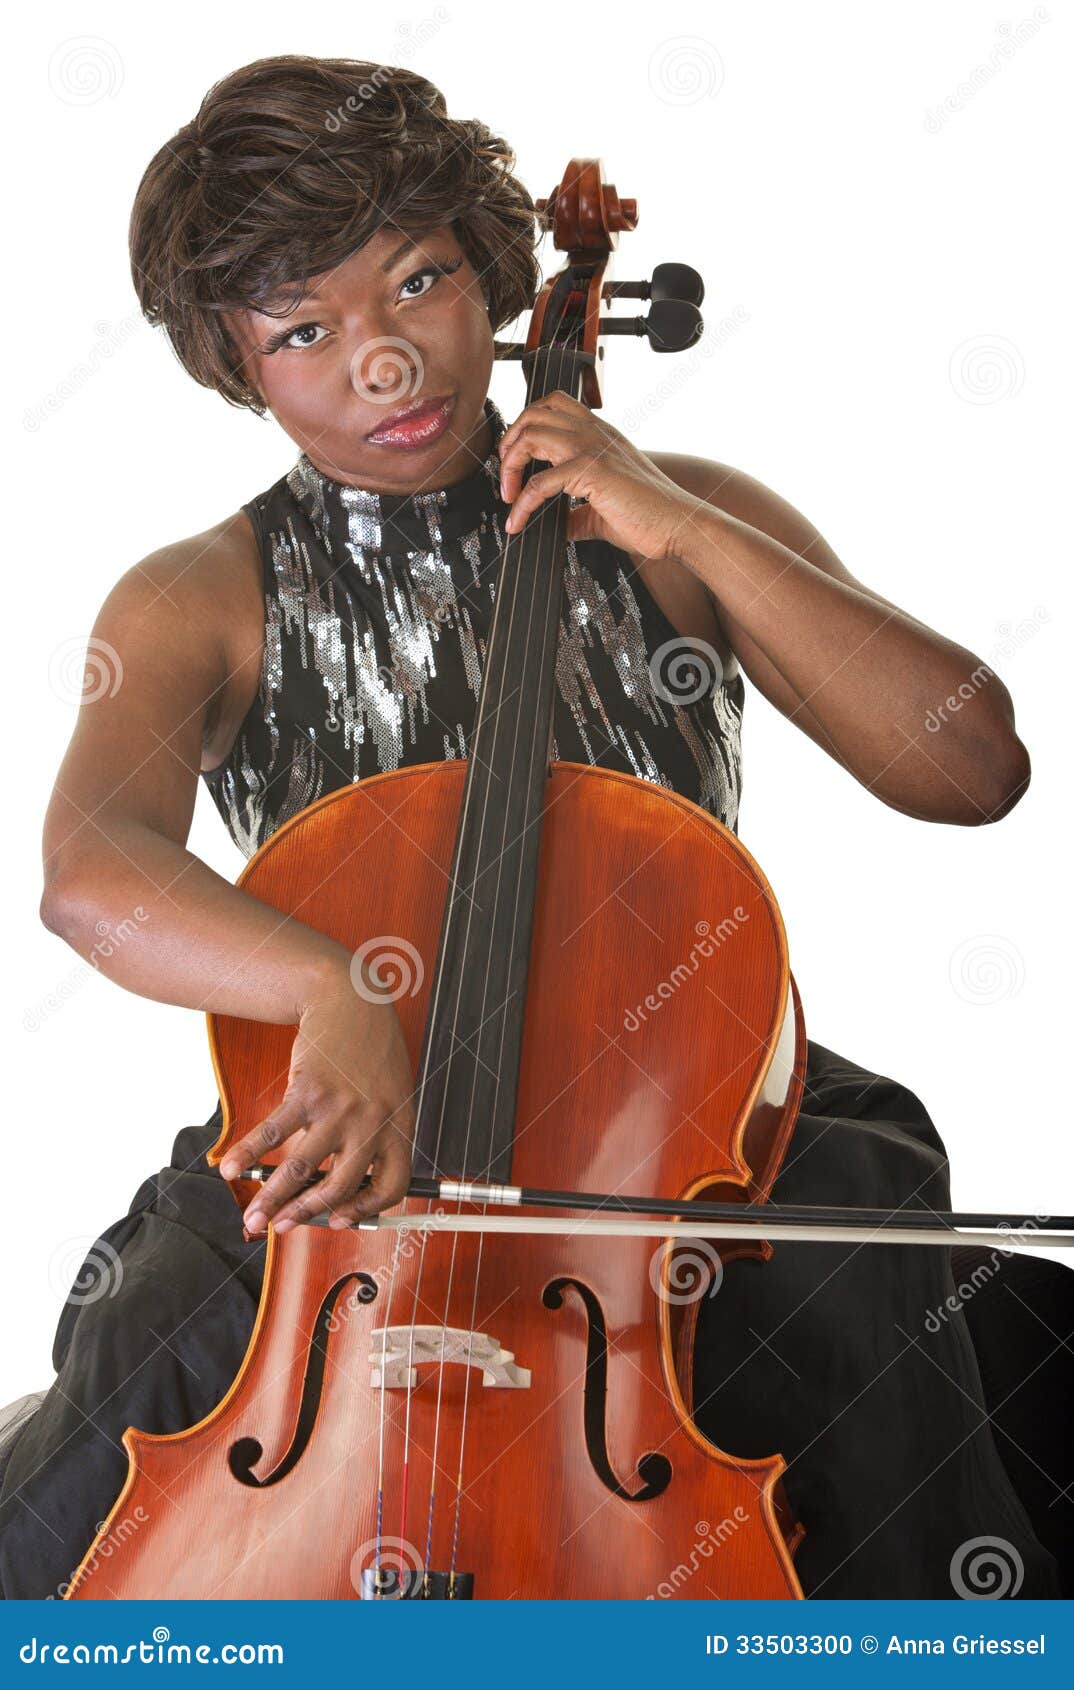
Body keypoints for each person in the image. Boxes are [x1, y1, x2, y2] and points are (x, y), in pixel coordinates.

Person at [1, 54, 1069, 1601]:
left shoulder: (682, 519)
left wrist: (680, 520)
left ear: (500, 281)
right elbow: (89, 873)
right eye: (303, 331)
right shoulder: (202, 593)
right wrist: (334, 988)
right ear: (239, 374)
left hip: (687, 1118)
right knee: (152, 1314)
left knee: (863, 1265)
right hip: (343, 1139)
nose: (378, 362)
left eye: (418, 281)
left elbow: (969, 767)